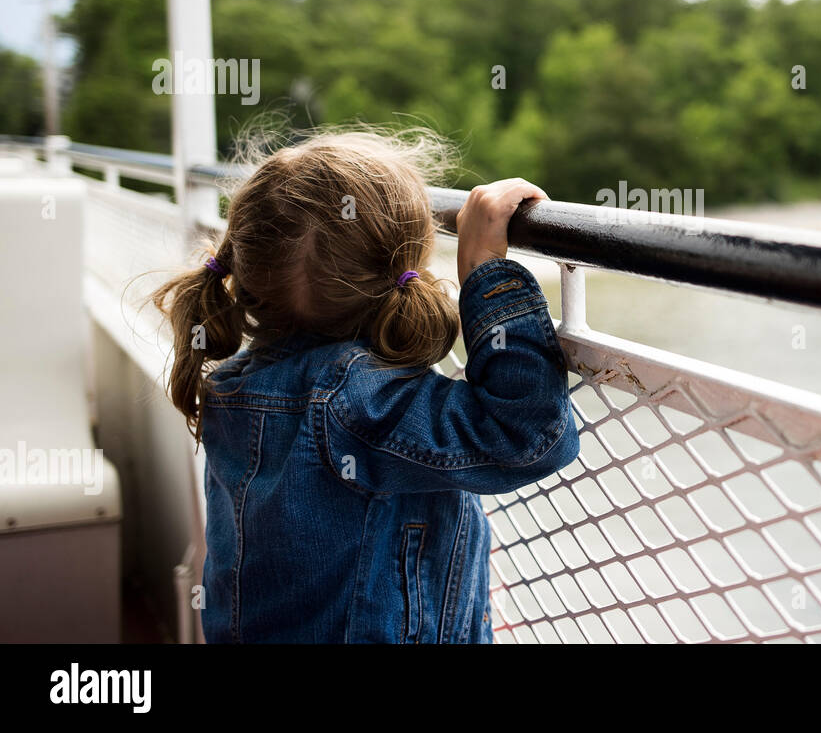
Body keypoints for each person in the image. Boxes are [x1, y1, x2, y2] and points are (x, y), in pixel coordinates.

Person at [150, 128, 578, 642]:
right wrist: (487, 274)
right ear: (411, 266)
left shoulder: (231, 384)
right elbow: (528, 435)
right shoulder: (360, 404)